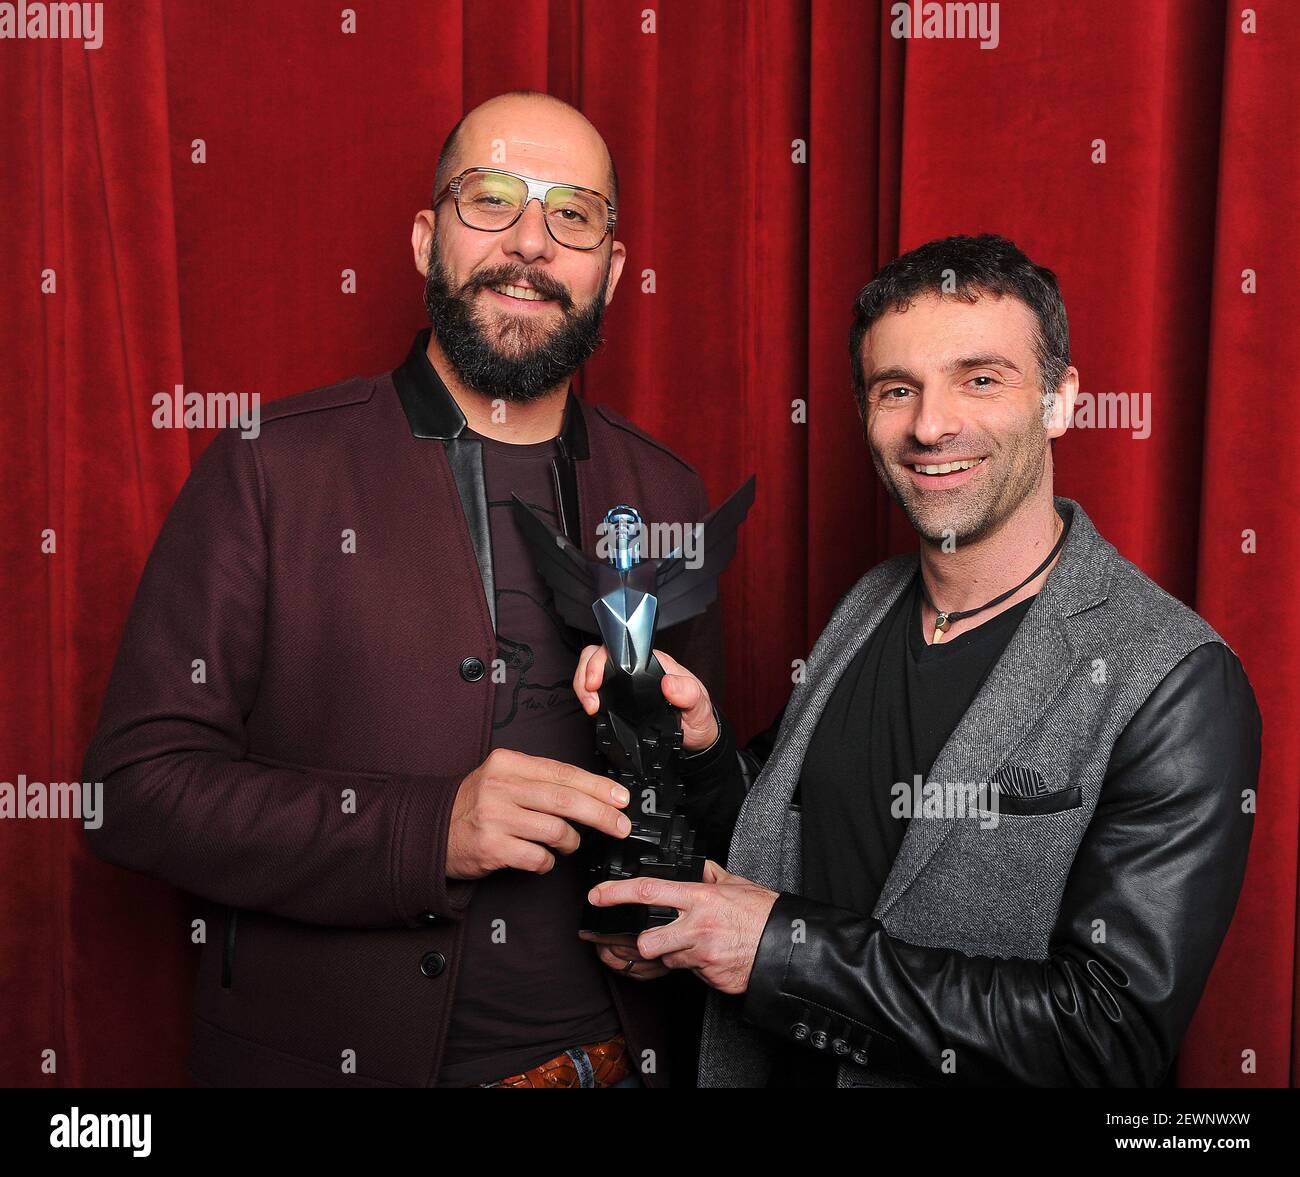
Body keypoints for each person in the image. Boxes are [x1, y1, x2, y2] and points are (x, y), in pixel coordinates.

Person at [82, 90, 726, 1089]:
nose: (530, 243)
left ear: (613, 267)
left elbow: (697, 788)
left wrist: (681, 854)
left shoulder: (667, 489)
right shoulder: (270, 469)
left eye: (573, 214)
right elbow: (133, 789)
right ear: (428, 240)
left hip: (624, 1059)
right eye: (492, 199)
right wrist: (424, 834)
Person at [576, 234, 1261, 1088]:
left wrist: (779, 948)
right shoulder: (870, 604)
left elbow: (1106, 1036)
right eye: (897, 389)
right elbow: (780, 837)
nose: (931, 425)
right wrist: (707, 751)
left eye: (980, 378)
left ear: (1060, 401)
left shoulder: (1177, 679)